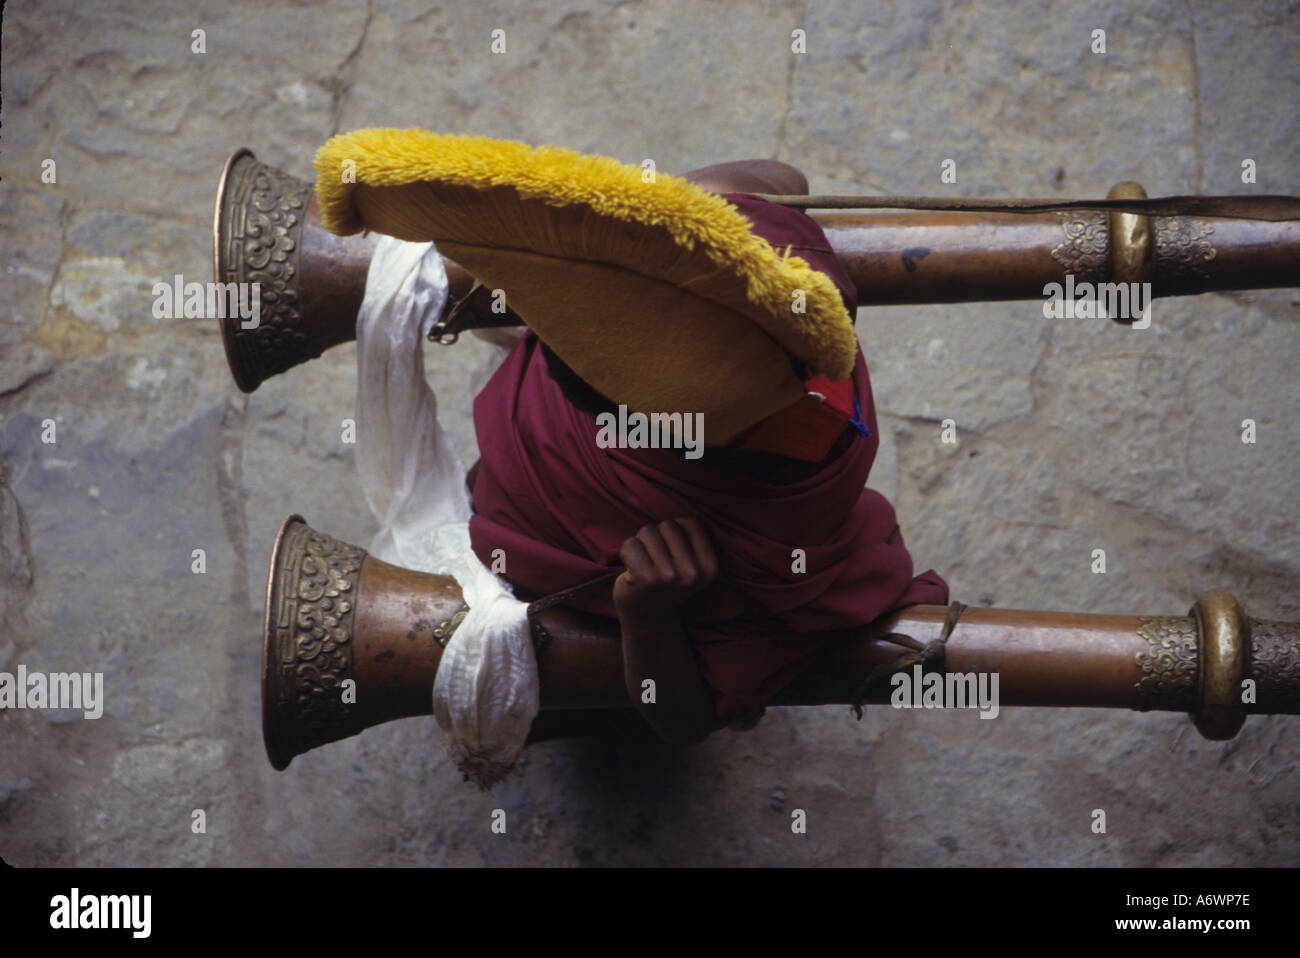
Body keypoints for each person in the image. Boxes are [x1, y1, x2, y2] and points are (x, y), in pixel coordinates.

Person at [467, 160, 949, 744]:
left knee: (588, 713)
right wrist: (671, 216)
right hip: (543, 476)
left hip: (589, 596)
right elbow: (785, 178)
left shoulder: (771, 518)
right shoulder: (765, 267)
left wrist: (647, 615)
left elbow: (684, 719)